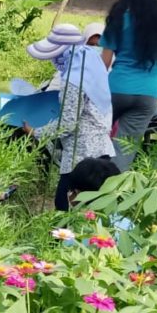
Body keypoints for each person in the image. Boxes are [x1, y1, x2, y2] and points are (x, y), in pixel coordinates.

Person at [28, 25, 116, 211]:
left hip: (82, 154)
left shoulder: (74, 78)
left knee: (65, 206)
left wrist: (36, 132)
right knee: (93, 210)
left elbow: (67, 124)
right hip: (101, 150)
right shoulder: (92, 68)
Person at [98, 0, 157, 169]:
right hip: (149, 92)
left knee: (97, 135)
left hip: (117, 88)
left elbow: (104, 63)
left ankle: (88, 179)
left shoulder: (119, 19)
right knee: (125, 147)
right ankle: (113, 185)